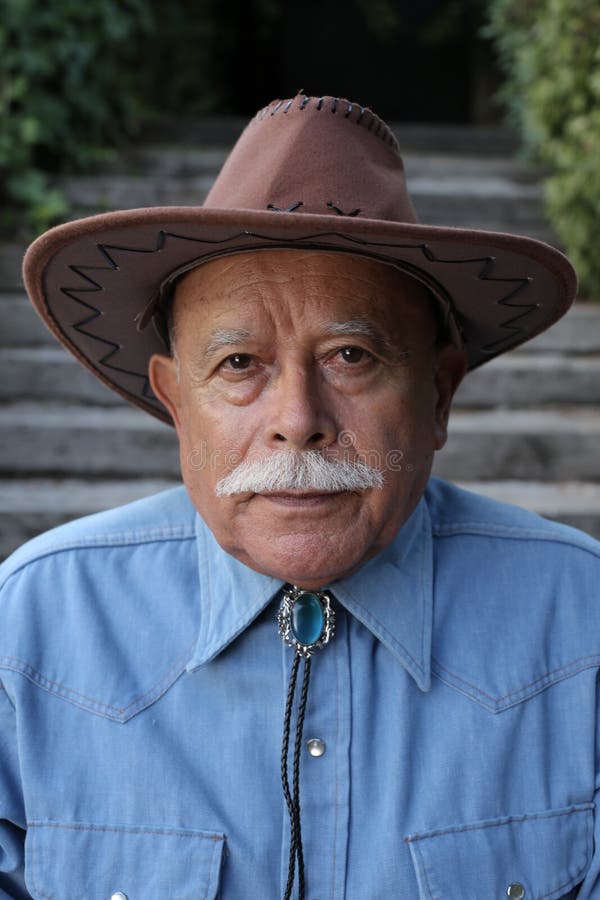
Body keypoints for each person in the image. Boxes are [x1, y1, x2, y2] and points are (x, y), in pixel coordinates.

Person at [1, 93, 598, 899]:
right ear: (176, 404)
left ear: (439, 398)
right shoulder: (35, 630)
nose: (298, 422)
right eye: (239, 364)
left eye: (351, 355)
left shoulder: (580, 628)